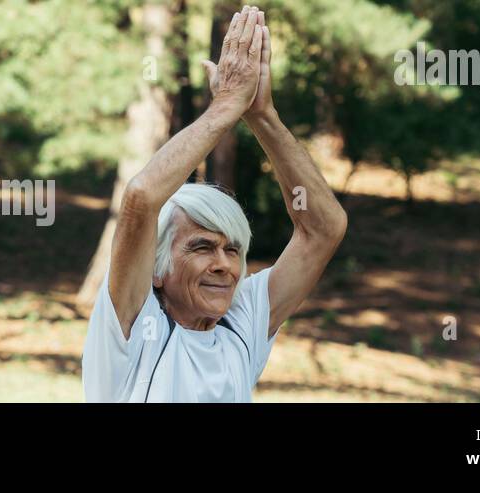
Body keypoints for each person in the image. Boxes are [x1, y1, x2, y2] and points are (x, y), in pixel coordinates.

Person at [82, 6, 348, 402]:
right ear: (157, 270)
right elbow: (141, 198)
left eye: (232, 250)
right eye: (201, 246)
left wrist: (263, 116)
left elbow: (323, 229)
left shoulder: (240, 321)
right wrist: (224, 108)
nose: (224, 265)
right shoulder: (134, 324)